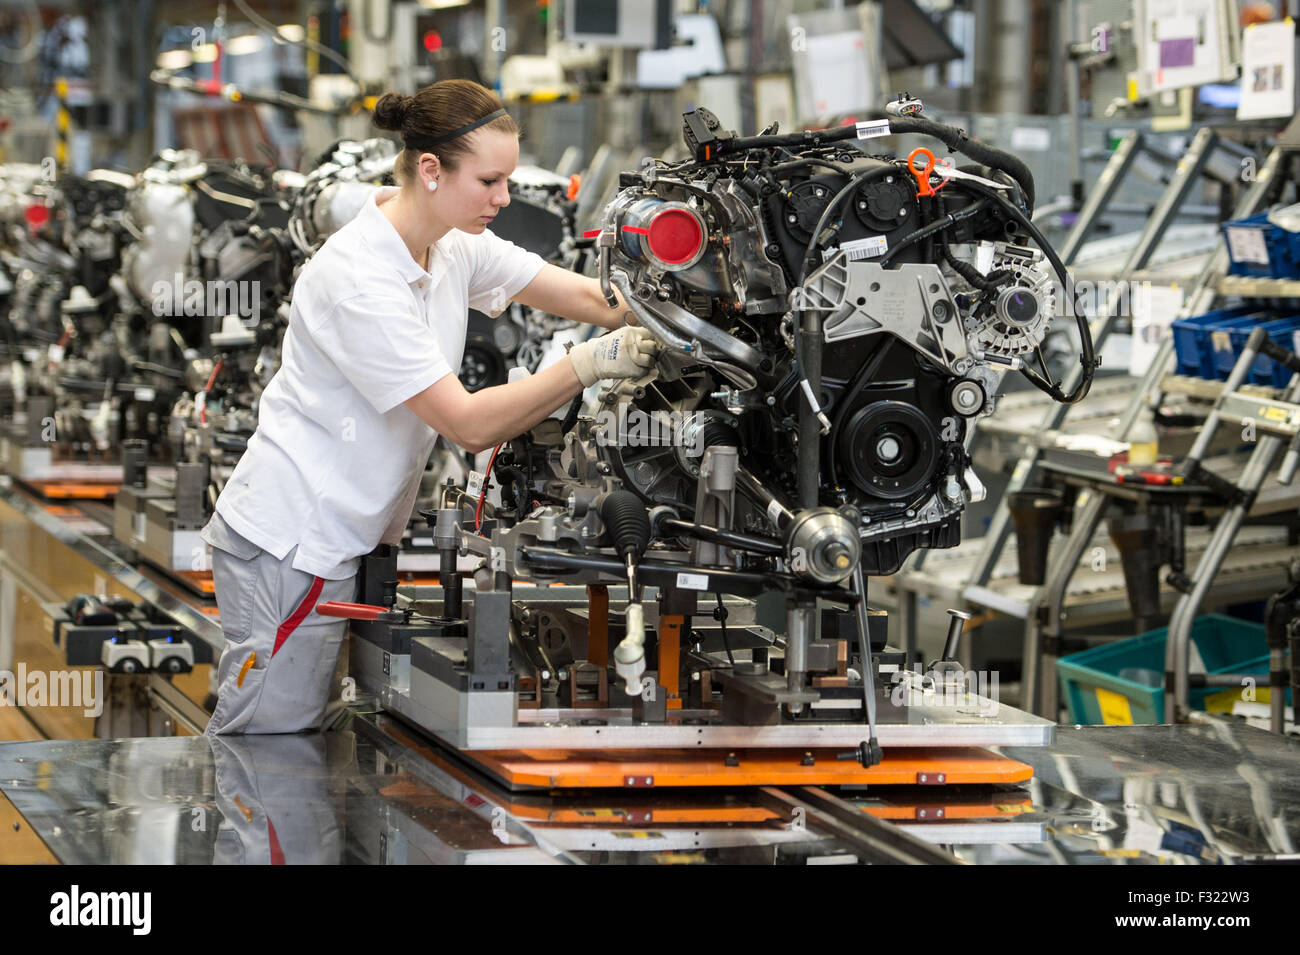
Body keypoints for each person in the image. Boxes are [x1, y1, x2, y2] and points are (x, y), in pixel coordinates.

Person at [201, 79, 658, 734]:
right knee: (269, 748)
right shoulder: (359, 277)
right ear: (430, 170)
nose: (505, 197)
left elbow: (588, 298)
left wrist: (677, 311)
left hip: (337, 541)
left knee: (303, 745)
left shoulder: (449, 243)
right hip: (293, 544)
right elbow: (467, 422)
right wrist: (587, 364)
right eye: (490, 181)